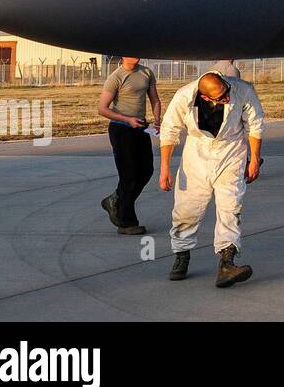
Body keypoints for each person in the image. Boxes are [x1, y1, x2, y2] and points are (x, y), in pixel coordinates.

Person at [158, 69, 264, 287]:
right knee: (186, 209)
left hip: (231, 153)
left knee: (231, 206)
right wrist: (165, 168)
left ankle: (227, 263)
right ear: (205, 97)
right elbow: (170, 130)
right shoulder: (184, 96)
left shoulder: (242, 90)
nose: (227, 98)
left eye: (226, 92)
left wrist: (254, 160)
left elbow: (256, 125)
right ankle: (182, 255)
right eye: (221, 98)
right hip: (196, 155)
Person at [96, 56, 160, 234]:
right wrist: (127, 119)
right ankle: (127, 222)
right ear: (123, 55)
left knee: (146, 171)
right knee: (129, 175)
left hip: (140, 128)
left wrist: (157, 120)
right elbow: (102, 108)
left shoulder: (146, 72)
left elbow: (154, 99)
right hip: (121, 129)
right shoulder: (115, 77)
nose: (135, 54)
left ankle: (115, 199)